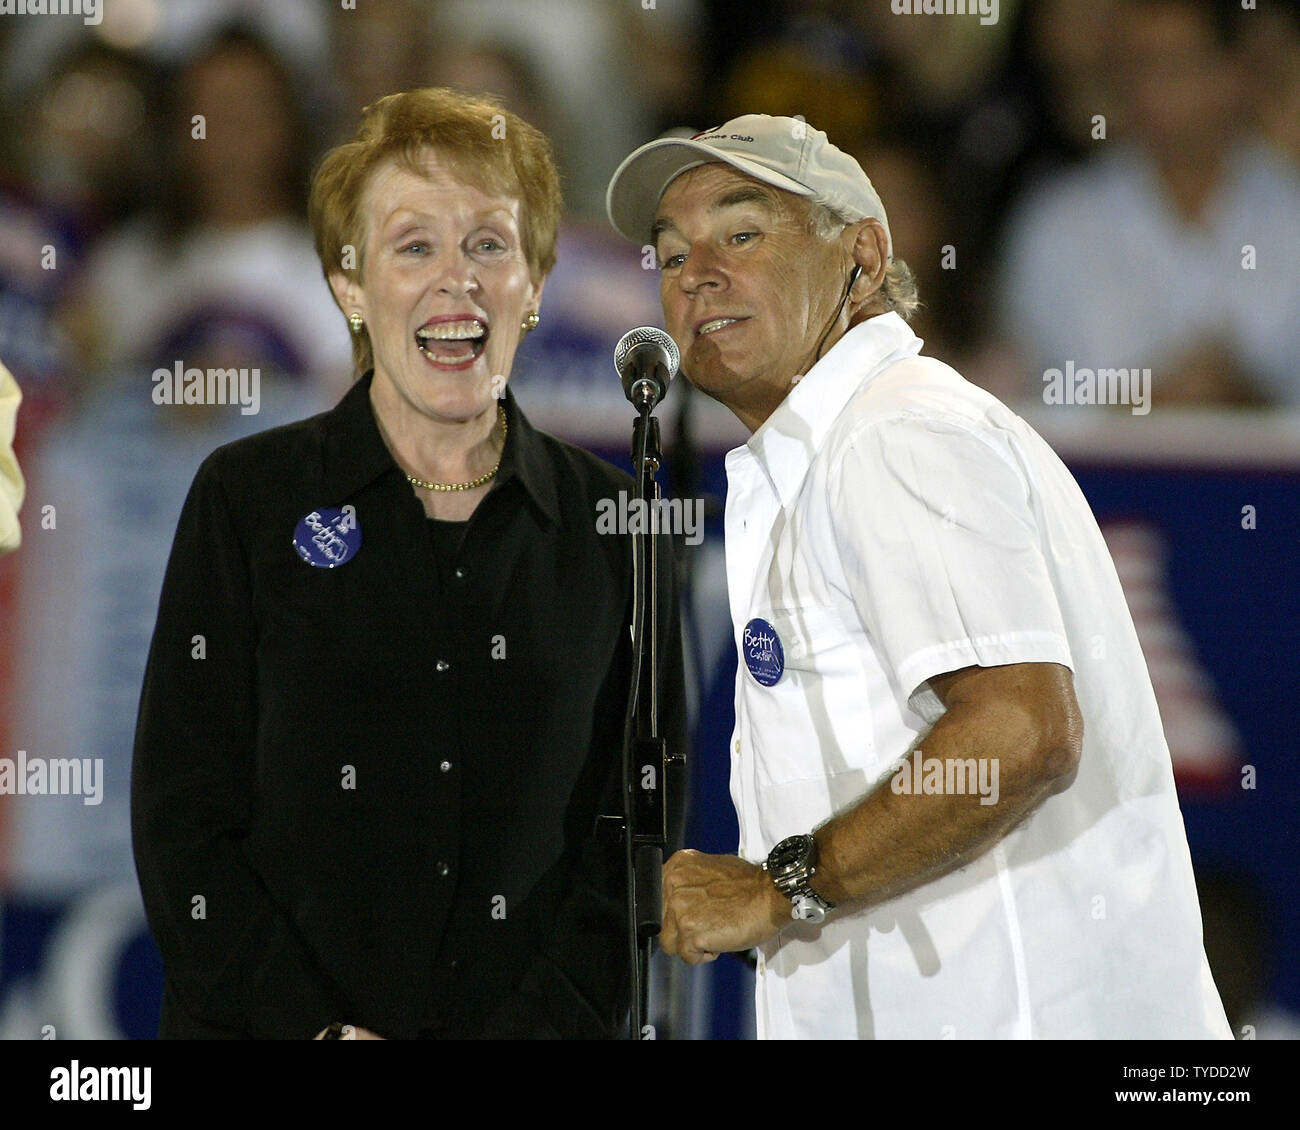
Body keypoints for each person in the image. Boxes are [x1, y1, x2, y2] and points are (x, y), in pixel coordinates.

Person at [605, 113, 1232, 1039]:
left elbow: (1022, 731)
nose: (695, 274)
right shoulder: (831, 452)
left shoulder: (895, 434)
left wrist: (779, 889)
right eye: (668, 254)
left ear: (862, 254)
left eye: (742, 234)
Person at [132, 87, 686, 1040]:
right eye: (414, 245)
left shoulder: (620, 523)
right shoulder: (248, 500)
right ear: (349, 286)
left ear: (539, 280)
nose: (455, 283)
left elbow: (634, 841)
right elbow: (186, 821)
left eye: (488, 245)